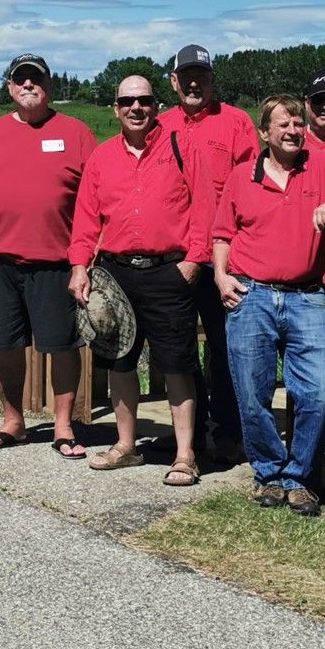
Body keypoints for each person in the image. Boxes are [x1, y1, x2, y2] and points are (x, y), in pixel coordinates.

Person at [69, 75, 215, 487]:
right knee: (120, 361)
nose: (136, 108)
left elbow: (205, 207)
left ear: (156, 105)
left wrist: (193, 262)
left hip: (168, 271)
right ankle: (126, 445)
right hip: (116, 274)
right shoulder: (101, 157)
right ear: (115, 108)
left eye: (145, 101)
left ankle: (185, 454)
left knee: (177, 364)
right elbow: (85, 218)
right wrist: (80, 266)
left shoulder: (181, 147)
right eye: (127, 101)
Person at [0, 53, 98, 459]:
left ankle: (64, 426)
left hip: (57, 261)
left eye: (36, 79)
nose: (29, 85)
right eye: (21, 79)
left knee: (62, 345)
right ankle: (13, 422)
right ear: (10, 87)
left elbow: (96, 198)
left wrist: (85, 259)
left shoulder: (76, 132)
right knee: (5, 344)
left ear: (49, 85)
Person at [213, 95, 325, 517]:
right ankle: (268, 473)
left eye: (297, 123)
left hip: (307, 296)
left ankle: (298, 478)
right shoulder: (239, 177)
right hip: (251, 294)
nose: (292, 130)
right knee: (252, 392)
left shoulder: (323, 169)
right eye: (282, 124)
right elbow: (222, 234)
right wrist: (220, 274)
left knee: (318, 391)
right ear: (264, 133)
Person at [158, 44, 259, 461]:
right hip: (175, 257)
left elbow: (253, 187)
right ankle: (192, 435)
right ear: (174, 80)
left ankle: (231, 432)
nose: (194, 82)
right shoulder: (159, 125)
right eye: (186, 75)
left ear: (214, 79)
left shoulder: (237, 123)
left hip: (225, 259)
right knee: (179, 348)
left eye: (201, 74)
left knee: (226, 348)